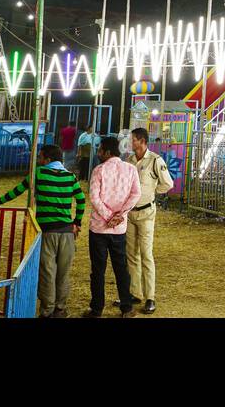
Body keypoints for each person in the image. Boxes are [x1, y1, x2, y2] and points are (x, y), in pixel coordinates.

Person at [0, 144, 85, 317]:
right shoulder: (70, 177)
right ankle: (60, 308)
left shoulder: (38, 173)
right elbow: (81, 201)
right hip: (67, 232)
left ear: (48, 159)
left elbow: (16, 191)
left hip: (47, 232)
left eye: (40, 157)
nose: (38, 160)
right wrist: (77, 222)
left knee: (47, 272)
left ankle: (47, 310)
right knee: (63, 273)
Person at [84, 136, 140, 317]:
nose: (98, 153)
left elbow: (94, 197)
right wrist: (120, 215)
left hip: (99, 229)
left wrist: (108, 216)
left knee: (98, 270)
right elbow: (135, 194)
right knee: (121, 269)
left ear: (107, 152)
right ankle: (126, 308)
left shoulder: (98, 170)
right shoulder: (131, 169)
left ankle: (97, 309)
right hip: (119, 229)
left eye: (100, 150)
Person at [122, 127, 173, 314]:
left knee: (146, 255)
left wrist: (151, 193)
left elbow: (168, 183)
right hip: (130, 213)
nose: (130, 142)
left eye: (133, 139)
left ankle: (150, 297)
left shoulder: (155, 160)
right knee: (131, 255)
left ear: (142, 140)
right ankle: (135, 293)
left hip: (146, 214)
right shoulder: (129, 161)